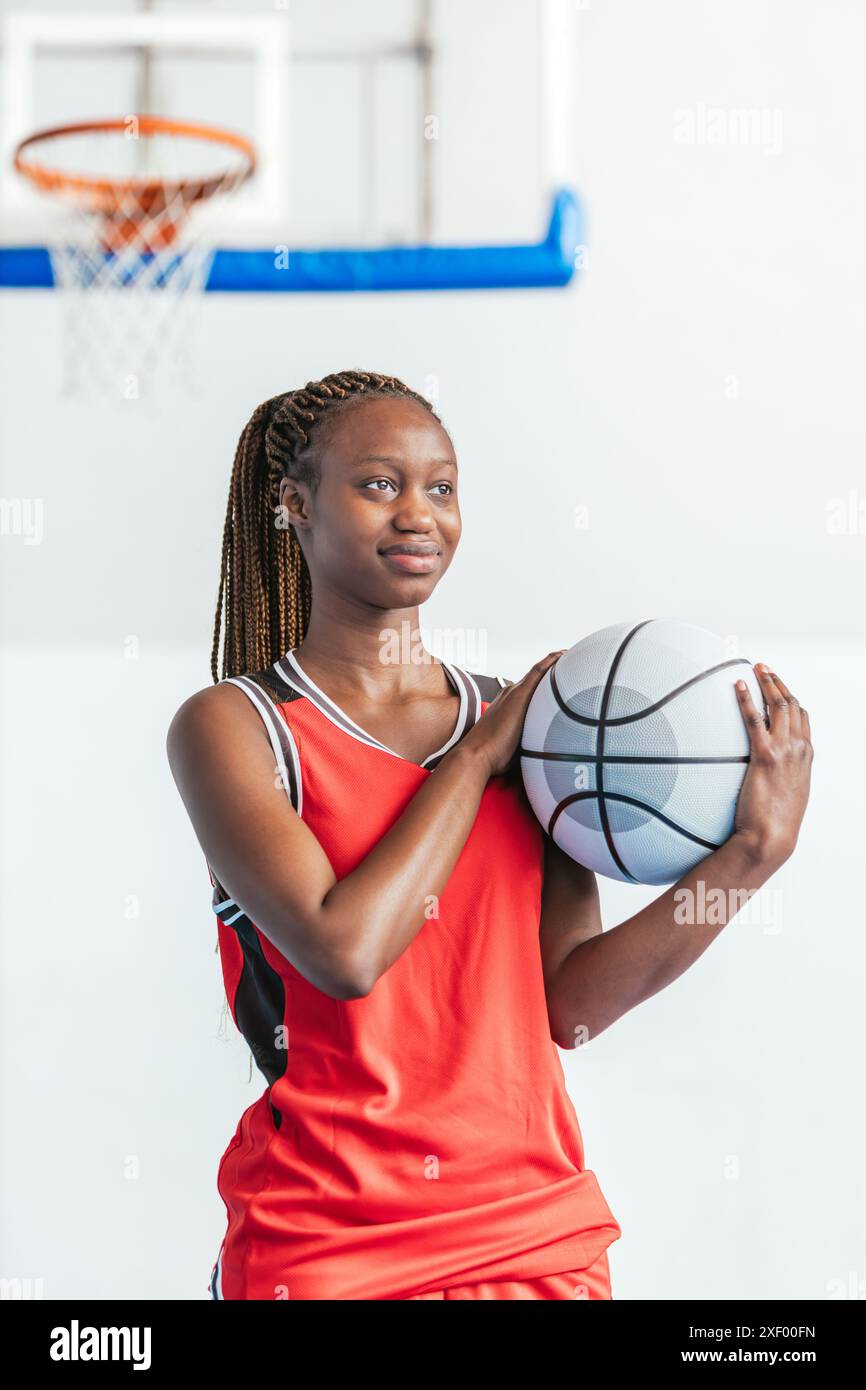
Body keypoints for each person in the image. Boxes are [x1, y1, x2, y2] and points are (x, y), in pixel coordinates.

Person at [166, 370, 813, 1301]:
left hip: (534, 1237)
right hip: (329, 1244)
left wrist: (751, 857)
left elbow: (569, 1008)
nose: (418, 514)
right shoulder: (237, 728)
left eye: (442, 487)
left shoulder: (538, 729)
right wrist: (471, 763)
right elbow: (343, 952)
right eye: (379, 484)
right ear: (294, 505)